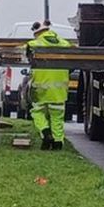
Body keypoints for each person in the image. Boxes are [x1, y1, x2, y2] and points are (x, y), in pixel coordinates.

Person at [26, 20, 72, 150]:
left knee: (37, 112)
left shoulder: (33, 44)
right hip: (59, 90)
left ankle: (46, 133)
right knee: (57, 116)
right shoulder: (65, 44)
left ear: (37, 32)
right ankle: (58, 143)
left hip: (41, 88)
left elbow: (27, 59)